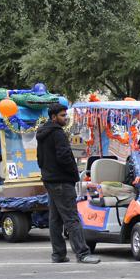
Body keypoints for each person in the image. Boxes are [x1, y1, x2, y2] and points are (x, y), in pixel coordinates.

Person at [36, 104, 100, 264]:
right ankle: (83, 253)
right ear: (53, 117)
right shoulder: (57, 133)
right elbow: (64, 157)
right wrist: (73, 173)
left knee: (55, 219)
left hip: (50, 181)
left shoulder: (43, 133)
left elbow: (39, 159)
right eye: (62, 115)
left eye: (66, 115)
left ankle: (58, 254)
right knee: (72, 218)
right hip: (62, 181)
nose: (66, 118)